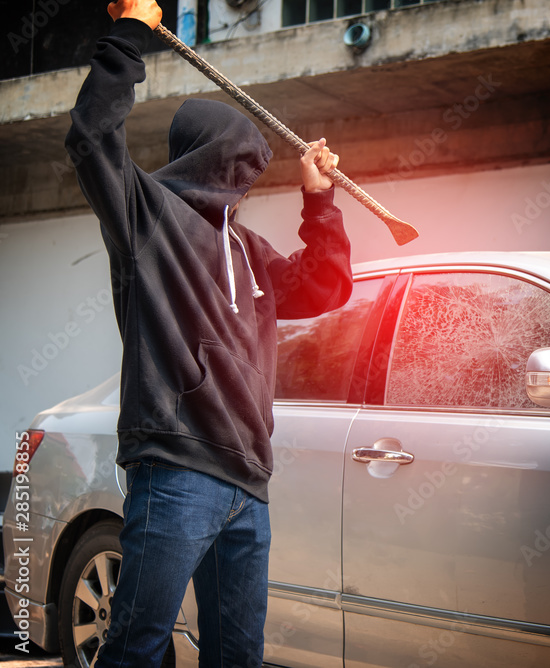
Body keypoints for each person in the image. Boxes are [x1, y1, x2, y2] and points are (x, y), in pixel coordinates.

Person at [66, 1, 353, 665]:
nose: (244, 182)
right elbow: (91, 138)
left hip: (248, 483)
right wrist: (130, 33)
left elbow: (326, 287)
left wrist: (319, 200)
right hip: (176, 470)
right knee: (136, 649)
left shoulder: (249, 250)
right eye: (238, 164)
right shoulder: (148, 217)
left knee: (237, 658)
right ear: (212, 156)